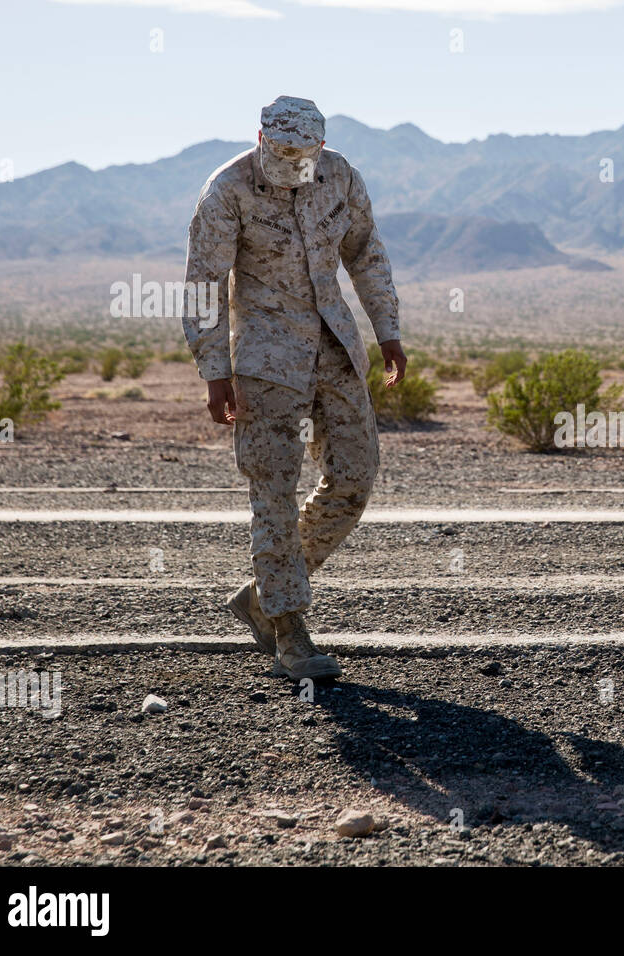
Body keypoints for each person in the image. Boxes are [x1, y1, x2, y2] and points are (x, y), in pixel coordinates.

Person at [182, 95, 406, 682]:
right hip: (265, 362)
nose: (291, 164)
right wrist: (215, 372)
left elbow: (366, 253)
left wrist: (388, 331)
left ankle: (262, 595)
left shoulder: (341, 176)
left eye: (302, 154)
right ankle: (289, 630)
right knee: (273, 493)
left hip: (335, 351)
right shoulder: (227, 190)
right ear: (259, 138)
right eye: (280, 153)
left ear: (321, 147)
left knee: (355, 477)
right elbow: (205, 284)